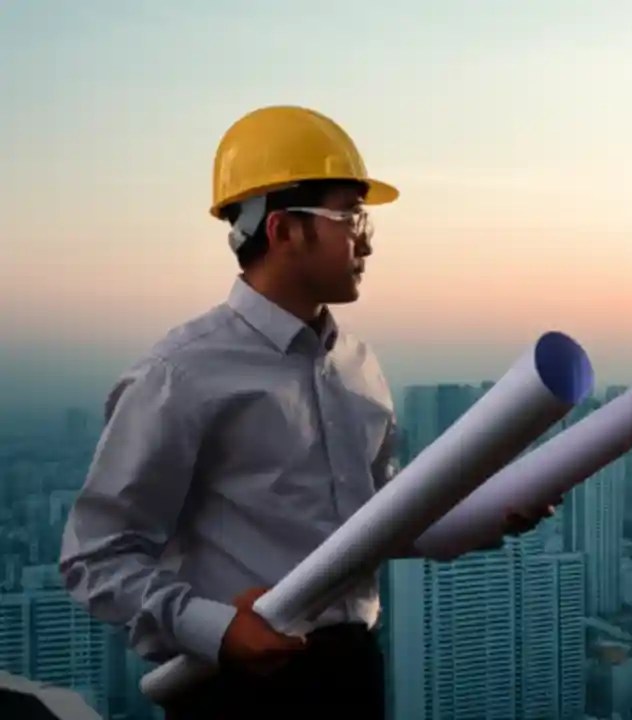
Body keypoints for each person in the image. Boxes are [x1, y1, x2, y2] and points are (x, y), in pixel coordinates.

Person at [58, 105, 556, 719]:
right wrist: (216, 627)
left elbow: (382, 522)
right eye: (350, 217)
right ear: (284, 230)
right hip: (237, 689)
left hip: (352, 672)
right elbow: (95, 556)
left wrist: (493, 514)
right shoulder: (182, 374)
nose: (366, 240)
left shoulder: (355, 363)